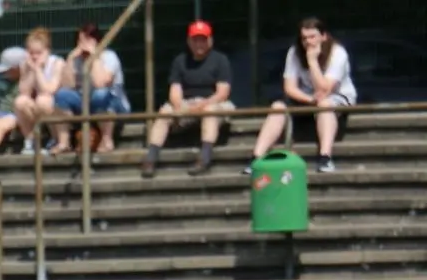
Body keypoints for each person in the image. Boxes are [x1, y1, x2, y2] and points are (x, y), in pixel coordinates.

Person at [247, 17, 353, 174]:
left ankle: (325, 158)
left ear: (323, 36)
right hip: (308, 98)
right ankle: (256, 158)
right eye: (304, 38)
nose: (308, 42)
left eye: (312, 37)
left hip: (337, 97)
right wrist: (310, 100)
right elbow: (289, 88)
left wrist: (312, 61)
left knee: (324, 105)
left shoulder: (338, 53)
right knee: (278, 107)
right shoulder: (294, 52)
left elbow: (325, 90)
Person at [141, 21, 234, 178]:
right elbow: (175, 90)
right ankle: (151, 157)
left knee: (210, 111)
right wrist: (180, 106)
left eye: (203, 39)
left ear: (210, 40)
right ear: (189, 41)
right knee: (165, 111)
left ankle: (205, 157)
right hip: (188, 103)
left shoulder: (220, 60)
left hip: (214, 103)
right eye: (195, 39)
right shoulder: (180, 61)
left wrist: (203, 105)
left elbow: (222, 93)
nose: (199, 43)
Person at [52, 23, 129, 154]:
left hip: (113, 103)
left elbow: (101, 83)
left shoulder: (109, 56)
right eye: (80, 41)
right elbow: (66, 84)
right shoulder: (76, 58)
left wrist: (94, 57)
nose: (83, 45)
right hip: (84, 101)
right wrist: (71, 58)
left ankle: (107, 140)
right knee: (61, 95)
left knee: (100, 94)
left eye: (87, 40)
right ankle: (63, 142)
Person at [12, 28, 64, 155]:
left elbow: (49, 90)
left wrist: (38, 71)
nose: (34, 56)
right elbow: (23, 91)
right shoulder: (26, 65)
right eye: (31, 52)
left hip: (55, 109)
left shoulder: (57, 63)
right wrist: (31, 71)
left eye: (39, 53)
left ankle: (55, 138)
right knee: (20, 102)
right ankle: (31, 140)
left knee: (43, 100)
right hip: (37, 110)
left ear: (47, 51)